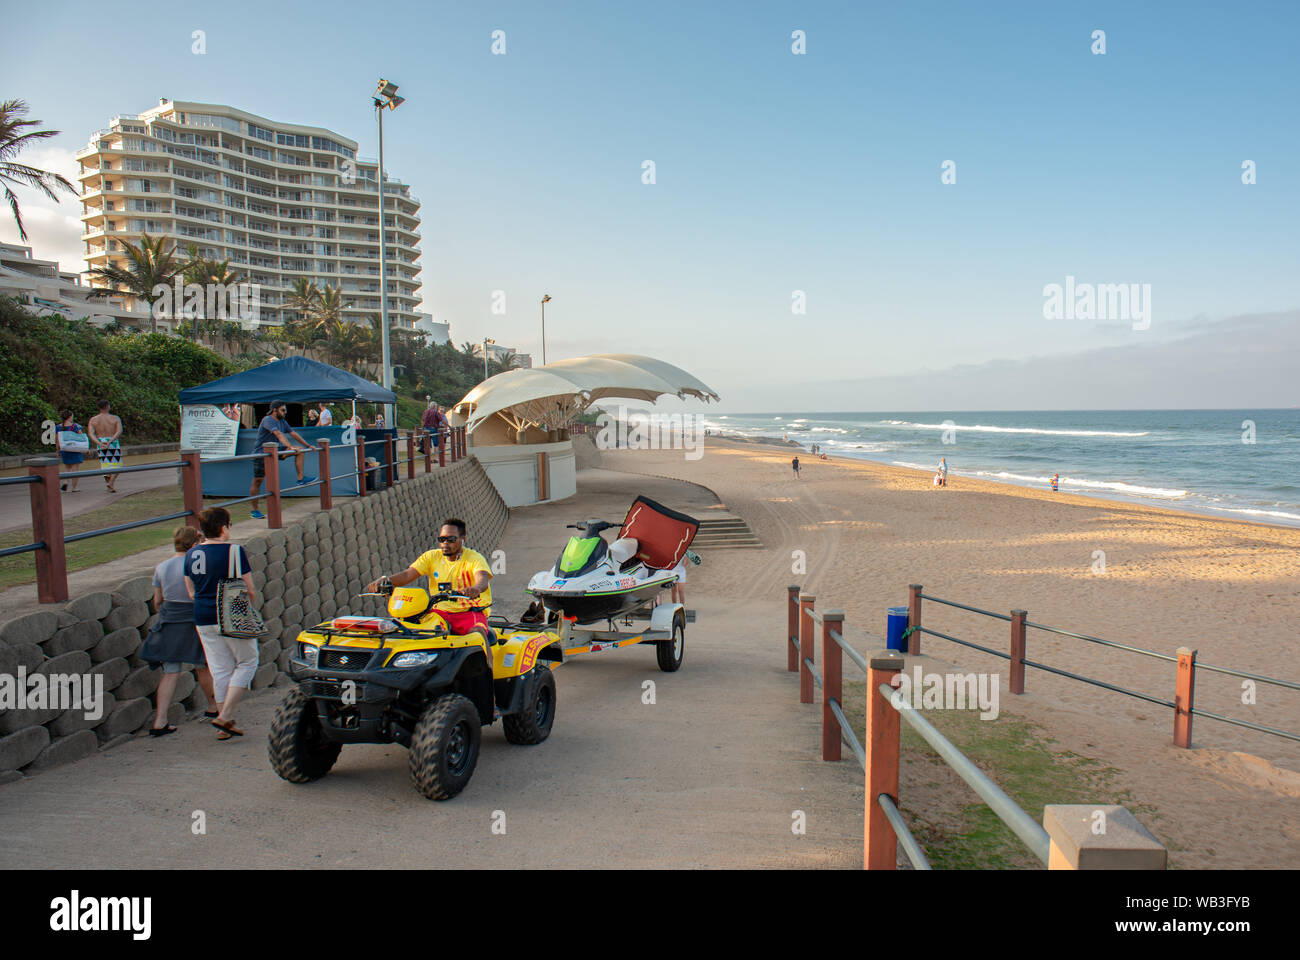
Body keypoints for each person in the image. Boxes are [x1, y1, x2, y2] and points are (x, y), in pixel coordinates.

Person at [184, 507, 257, 739]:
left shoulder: (192, 554)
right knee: (248, 661)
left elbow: (191, 591)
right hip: (231, 612)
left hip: (202, 615)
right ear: (224, 528)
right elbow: (249, 589)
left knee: (220, 669)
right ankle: (225, 716)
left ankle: (224, 721)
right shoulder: (234, 551)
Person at [365, 518, 494, 644]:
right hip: (439, 612)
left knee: (478, 636)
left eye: (451, 539)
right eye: (442, 539)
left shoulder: (474, 558)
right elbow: (406, 575)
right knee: (421, 635)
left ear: (462, 539)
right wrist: (385, 580)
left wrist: (476, 589)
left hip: (469, 611)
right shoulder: (431, 557)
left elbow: (482, 578)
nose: (445, 543)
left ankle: (488, 665)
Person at [143, 526, 218, 734]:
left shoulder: (162, 567)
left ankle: (160, 720)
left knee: (170, 672)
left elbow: (158, 601)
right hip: (194, 619)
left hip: (170, 621)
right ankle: (214, 708)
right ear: (194, 544)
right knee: (202, 666)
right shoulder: (199, 565)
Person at [248, 400, 315, 520]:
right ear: (275, 410)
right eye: (283, 410)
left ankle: (301, 478)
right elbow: (278, 434)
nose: (285, 413)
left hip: (275, 450)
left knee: (300, 450)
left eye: (285, 410)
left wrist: (308, 445)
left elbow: (293, 433)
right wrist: (289, 447)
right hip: (262, 453)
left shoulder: (282, 421)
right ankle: (254, 510)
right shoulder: (267, 420)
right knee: (258, 481)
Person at [88, 399, 123, 493]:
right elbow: (119, 431)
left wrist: (99, 443)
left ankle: (109, 485)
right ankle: (111, 483)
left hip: (100, 441)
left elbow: (91, 434)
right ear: (108, 406)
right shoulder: (115, 418)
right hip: (112, 442)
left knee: (105, 465)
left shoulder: (93, 419)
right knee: (118, 465)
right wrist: (111, 441)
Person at [55, 408, 85, 493]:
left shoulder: (58, 427)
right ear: (69, 417)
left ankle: (65, 481)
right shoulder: (75, 426)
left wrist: (58, 451)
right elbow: (81, 437)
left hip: (64, 449)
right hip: (75, 449)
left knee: (67, 467)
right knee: (75, 469)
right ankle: (74, 487)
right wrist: (85, 448)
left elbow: (57, 440)